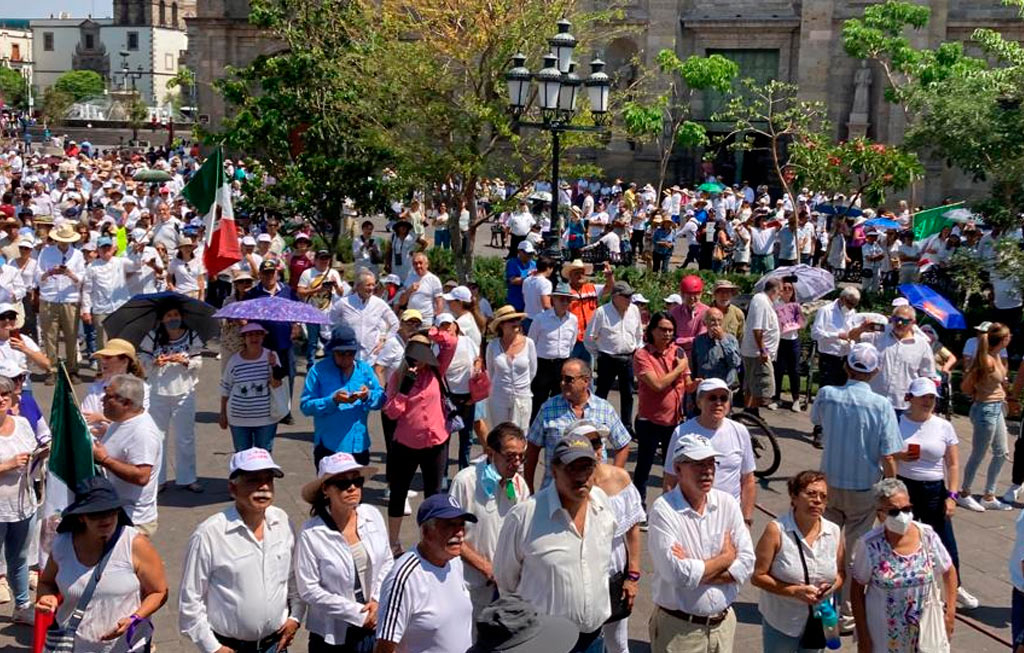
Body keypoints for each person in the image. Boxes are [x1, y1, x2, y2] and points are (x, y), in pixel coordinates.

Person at [494, 433, 617, 653]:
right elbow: (506, 581)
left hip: (594, 641)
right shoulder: (525, 516)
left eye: (587, 467)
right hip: (544, 645)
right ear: (553, 470)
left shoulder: (603, 505)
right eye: (572, 468)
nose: (581, 477)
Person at [811, 342, 902, 628]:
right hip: (863, 487)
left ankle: (823, 603)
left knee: (825, 547)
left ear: (847, 366)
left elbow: (817, 421)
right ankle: (848, 612)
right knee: (853, 553)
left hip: (830, 483)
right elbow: (888, 453)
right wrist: (893, 487)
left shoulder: (828, 395)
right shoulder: (882, 405)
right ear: (875, 371)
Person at [179, 448, 303, 653]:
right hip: (229, 648)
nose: (263, 487)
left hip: (275, 645)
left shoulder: (282, 521)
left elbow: (292, 578)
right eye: (253, 480)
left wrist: (295, 617)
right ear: (233, 488)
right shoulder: (210, 534)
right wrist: (212, 648)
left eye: (268, 480)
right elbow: (190, 600)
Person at [647, 433, 755, 653]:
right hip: (679, 632)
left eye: (710, 463)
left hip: (723, 627)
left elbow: (747, 562)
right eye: (697, 464)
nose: (707, 470)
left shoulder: (726, 503)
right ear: (678, 469)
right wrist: (725, 558)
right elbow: (676, 575)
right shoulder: (663, 510)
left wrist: (698, 571)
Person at [35, 477, 168, 651]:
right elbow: (46, 583)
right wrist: (47, 596)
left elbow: (159, 592)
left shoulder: (135, 544)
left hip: (126, 647)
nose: (105, 519)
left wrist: (134, 618)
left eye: (111, 511)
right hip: (74, 646)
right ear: (81, 517)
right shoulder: (62, 544)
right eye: (95, 514)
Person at [295, 452, 393, 652]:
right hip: (331, 635)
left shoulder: (372, 515)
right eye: (342, 484)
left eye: (357, 481)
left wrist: (376, 600)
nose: (352, 488)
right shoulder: (311, 533)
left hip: (374, 624)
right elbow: (309, 589)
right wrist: (357, 613)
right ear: (325, 489)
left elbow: (387, 561)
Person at [896, 377, 978, 609]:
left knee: (945, 541)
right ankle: (903, 586)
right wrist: (899, 456)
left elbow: (952, 464)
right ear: (910, 398)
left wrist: (951, 496)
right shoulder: (897, 422)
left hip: (933, 488)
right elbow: (884, 454)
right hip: (904, 487)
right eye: (923, 396)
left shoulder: (943, 426)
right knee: (902, 537)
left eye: (932, 397)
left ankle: (955, 588)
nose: (928, 401)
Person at [850, 478, 957, 653]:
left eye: (906, 509)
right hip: (884, 634)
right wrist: (863, 635)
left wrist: (950, 613)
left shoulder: (927, 535)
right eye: (894, 511)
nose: (902, 516)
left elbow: (949, 571)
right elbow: (857, 588)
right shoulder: (869, 544)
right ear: (880, 514)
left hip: (926, 630)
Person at [753, 470, 844, 653]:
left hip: (819, 621)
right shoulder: (776, 530)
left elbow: (841, 574)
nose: (817, 500)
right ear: (793, 497)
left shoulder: (833, 531)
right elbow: (757, 576)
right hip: (783, 623)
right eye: (811, 493)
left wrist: (831, 588)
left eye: (823, 497)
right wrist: (794, 591)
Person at [382, 329, 456, 549]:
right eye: (415, 355)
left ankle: (430, 539)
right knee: (398, 491)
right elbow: (391, 412)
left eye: (423, 354)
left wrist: (431, 333)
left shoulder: (436, 371)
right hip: (407, 443)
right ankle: (393, 541)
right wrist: (404, 391)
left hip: (435, 442)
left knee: (434, 493)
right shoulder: (398, 375)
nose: (419, 361)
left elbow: (451, 343)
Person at [449, 422, 531, 619]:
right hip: (470, 586)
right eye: (511, 456)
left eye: (521, 456)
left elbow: (525, 535)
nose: (517, 463)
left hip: (508, 587)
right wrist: (485, 567)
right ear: (492, 453)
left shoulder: (520, 486)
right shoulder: (465, 482)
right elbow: (450, 535)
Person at [375, 494, 475, 653]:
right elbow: (384, 648)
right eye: (450, 525)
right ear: (427, 532)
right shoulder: (403, 578)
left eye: (461, 524)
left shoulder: (454, 562)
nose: (460, 533)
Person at [582, 422, 645, 653]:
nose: (595, 449)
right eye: (587, 444)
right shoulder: (570, 487)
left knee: (617, 642)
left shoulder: (621, 478)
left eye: (597, 442)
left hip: (616, 570)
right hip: (582, 573)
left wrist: (633, 576)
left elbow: (634, 532)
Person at [525, 358, 630, 492]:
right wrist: (529, 489)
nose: (563, 383)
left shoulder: (604, 409)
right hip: (556, 492)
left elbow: (622, 445)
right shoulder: (548, 409)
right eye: (561, 378)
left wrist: (613, 477)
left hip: (594, 491)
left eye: (569, 379)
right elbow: (532, 449)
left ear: (586, 381)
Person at [665, 378, 757, 523]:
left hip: (729, 516)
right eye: (712, 398)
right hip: (691, 515)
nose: (718, 403)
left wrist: (746, 519)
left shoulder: (740, 431)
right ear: (699, 402)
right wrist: (672, 517)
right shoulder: (682, 432)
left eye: (724, 398)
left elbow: (748, 480)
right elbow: (670, 479)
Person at [139, 301, 204, 493]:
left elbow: (199, 361)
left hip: (184, 392)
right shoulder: (152, 337)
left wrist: (186, 362)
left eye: (176, 314)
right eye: (169, 316)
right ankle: (158, 481)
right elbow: (142, 363)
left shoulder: (191, 335)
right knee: (157, 437)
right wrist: (153, 362)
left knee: (186, 437)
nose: (173, 318)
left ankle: (188, 478)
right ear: (161, 319)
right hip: (157, 392)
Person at [632, 311, 694, 509]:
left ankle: (671, 507)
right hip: (649, 421)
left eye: (670, 330)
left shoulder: (678, 352)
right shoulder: (643, 355)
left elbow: (687, 382)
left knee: (674, 469)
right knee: (644, 467)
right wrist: (679, 369)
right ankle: (637, 507)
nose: (667, 334)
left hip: (674, 421)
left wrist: (695, 385)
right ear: (652, 331)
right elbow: (657, 385)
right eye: (663, 330)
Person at [301, 325, 385, 468]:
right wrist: (332, 400)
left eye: (350, 353)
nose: (346, 358)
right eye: (341, 353)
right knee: (329, 489)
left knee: (356, 489)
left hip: (358, 445)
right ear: (333, 351)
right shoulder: (318, 370)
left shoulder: (364, 369)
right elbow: (306, 406)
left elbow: (381, 399)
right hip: (329, 447)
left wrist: (368, 396)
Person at [92, 374, 162, 536]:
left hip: (132, 521)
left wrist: (104, 460)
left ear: (127, 403)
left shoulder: (143, 432)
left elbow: (142, 476)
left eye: (109, 396)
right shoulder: (120, 420)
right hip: (117, 512)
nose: (102, 400)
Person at [958, 321, 1013, 511]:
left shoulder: (996, 356)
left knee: (1001, 452)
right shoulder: (987, 360)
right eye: (1008, 335)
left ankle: (989, 495)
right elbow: (966, 385)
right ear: (1003, 339)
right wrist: (977, 392)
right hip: (986, 409)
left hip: (995, 407)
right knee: (979, 453)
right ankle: (964, 493)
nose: (1011, 338)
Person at [0, 374, 39, 624]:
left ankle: (23, 606)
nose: (1, 399)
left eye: (4, 394)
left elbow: (34, 450)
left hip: (23, 503)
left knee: (20, 558)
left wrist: (38, 457)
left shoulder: (22, 422)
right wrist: (7, 465)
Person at [854, 305, 935, 416]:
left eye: (904, 321)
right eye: (896, 320)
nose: (900, 324)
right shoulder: (880, 333)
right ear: (891, 319)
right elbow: (852, 337)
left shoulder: (922, 345)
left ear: (913, 322)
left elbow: (927, 377)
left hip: (901, 406)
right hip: (873, 400)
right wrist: (861, 329)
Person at [245, 259, 299, 424]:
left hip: (285, 342)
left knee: (287, 375)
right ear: (260, 274)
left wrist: (296, 326)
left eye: (272, 272)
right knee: (264, 376)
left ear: (277, 273)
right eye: (266, 273)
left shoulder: (287, 291)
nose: (269, 276)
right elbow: (246, 318)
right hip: (264, 343)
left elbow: (297, 310)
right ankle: (266, 409)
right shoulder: (253, 294)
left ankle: (286, 411)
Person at [219, 323, 283, 452]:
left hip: (266, 419)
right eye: (250, 335)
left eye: (258, 334)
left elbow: (276, 384)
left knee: (264, 459)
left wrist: (273, 365)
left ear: (263, 337)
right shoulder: (234, 361)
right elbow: (226, 388)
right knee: (242, 459)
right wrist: (223, 414)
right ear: (244, 338)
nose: (254, 338)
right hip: (239, 419)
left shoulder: (272, 356)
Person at [36, 221, 85, 384]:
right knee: (50, 336)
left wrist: (70, 273)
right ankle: (51, 370)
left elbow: (82, 279)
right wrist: (51, 272)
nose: (64, 243)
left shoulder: (77, 255)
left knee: (72, 335)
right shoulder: (45, 252)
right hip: (49, 298)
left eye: (67, 240)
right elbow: (38, 275)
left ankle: (72, 369)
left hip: (70, 299)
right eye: (61, 239)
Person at [527, 282, 578, 420]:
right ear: (553, 299)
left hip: (562, 364)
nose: (564, 302)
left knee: (560, 398)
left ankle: (555, 427)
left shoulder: (573, 320)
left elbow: (571, 343)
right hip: (543, 364)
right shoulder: (540, 319)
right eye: (561, 298)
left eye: (568, 299)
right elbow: (531, 342)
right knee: (539, 398)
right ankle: (534, 429)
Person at [81, 235, 138, 355]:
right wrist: (86, 310)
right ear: (98, 250)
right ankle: (103, 370)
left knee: (122, 340)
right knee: (102, 341)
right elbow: (87, 290)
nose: (106, 250)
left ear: (112, 248)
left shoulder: (120, 261)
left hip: (120, 307)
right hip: (101, 309)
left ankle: (122, 368)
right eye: (103, 248)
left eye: (108, 247)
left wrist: (137, 252)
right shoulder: (92, 267)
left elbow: (136, 266)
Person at [329, 270, 399, 365]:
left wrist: (384, 340)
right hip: (348, 356)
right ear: (358, 286)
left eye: (373, 285)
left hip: (371, 357)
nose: (371, 288)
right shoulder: (344, 303)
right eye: (368, 285)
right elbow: (330, 323)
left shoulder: (379, 304)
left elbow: (395, 323)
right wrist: (336, 341)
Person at [486, 305, 537, 432]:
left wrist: (521, 386)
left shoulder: (529, 343)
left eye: (517, 319)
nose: (516, 323)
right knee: (500, 434)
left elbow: (532, 371)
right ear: (501, 325)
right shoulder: (492, 346)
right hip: (499, 396)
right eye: (511, 320)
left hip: (523, 396)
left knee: (521, 434)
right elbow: (491, 372)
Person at [298, 249, 347, 369]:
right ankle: (310, 366)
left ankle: (330, 365)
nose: (324, 261)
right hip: (311, 312)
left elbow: (341, 293)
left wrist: (335, 285)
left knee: (328, 340)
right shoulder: (307, 273)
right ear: (315, 260)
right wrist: (317, 290)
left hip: (328, 312)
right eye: (322, 258)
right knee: (313, 342)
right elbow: (300, 292)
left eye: (327, 259)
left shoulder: (333, 273)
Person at [740, 277, 781, 412]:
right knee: (763, 386)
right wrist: (763, 350)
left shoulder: (765, 302)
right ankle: (751, 411)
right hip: (758, 353)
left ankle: (750, 411)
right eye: (779, 291)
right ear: (774, 291)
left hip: (757, 352)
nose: (780, 295)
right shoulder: (761, 301)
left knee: (752, 385)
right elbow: (758, 329)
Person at [773, 279, 805, 411]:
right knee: (778, 370)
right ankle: (776, 398)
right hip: (780, 340)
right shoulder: (775, 305)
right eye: (784, 288)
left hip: (793, 340)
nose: (787, 290)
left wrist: (797, 323)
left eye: (789, 288)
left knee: (794, 371)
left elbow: (802, 323)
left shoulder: (796, 306)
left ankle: (796, 399)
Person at [692, 307, 742, 389]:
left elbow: (735, 362)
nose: (716, 323)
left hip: (725, 385)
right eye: (712, 320)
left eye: (719, 320)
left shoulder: (731, 340)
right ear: (705, 322)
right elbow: (695, 365)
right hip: (705, 386)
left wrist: (723, 340)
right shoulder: (698, 340)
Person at [399, 252, 443, 325]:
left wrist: (437, 321)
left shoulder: (434, 280)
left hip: (426, 321)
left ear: (426, 264)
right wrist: (409, 290)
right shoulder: (409, 278)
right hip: (411, 320)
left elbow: (439, 302)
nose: (418, 266)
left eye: (420, 263)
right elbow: (401, 302)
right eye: (415, 264)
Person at [670, 274, 708, 356]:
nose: (692, 298)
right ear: (682, 294)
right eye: (689, 294)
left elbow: (702, 337)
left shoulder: (706, 312)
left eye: (696, 294)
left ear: (701, 294)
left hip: (698, 353)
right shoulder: (675, 312)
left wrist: (680, 340)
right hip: (676, 352)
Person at [504, 241, 536, 312]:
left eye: (531, 253)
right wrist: (528, 278)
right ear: (520, 252)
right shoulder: (512, 263)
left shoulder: (533, 264)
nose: (529, 255)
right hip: (516, 301)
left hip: (529, 303)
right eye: (527, 253)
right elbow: (513, 280)